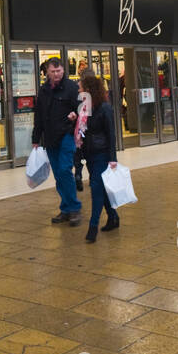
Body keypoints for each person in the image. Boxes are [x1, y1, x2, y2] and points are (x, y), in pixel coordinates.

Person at [32, 56, 82, 226]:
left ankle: (74, 208)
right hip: (50, 137)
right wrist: (35, 138)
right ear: (47, 72)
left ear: (63, 70)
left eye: (59, 71)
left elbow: (82, 110)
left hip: (67, 135)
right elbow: (38, 115)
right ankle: (66, 208)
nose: (56, 74)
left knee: (65, 169)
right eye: (53, 71)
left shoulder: (71, 87)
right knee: (58, 174)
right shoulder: (43, 90)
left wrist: (75, 116)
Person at [78, 72, 119, 242]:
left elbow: (111, 134)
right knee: (101, 188)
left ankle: (93, 226)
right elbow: (82, 128)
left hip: (102, 154)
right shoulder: (84, 107)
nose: (78, 91)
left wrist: (112, 158)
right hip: (89, 154)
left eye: (80, 88)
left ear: (89, 90)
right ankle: (113, 216)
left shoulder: (105, 108)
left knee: (96, 188)